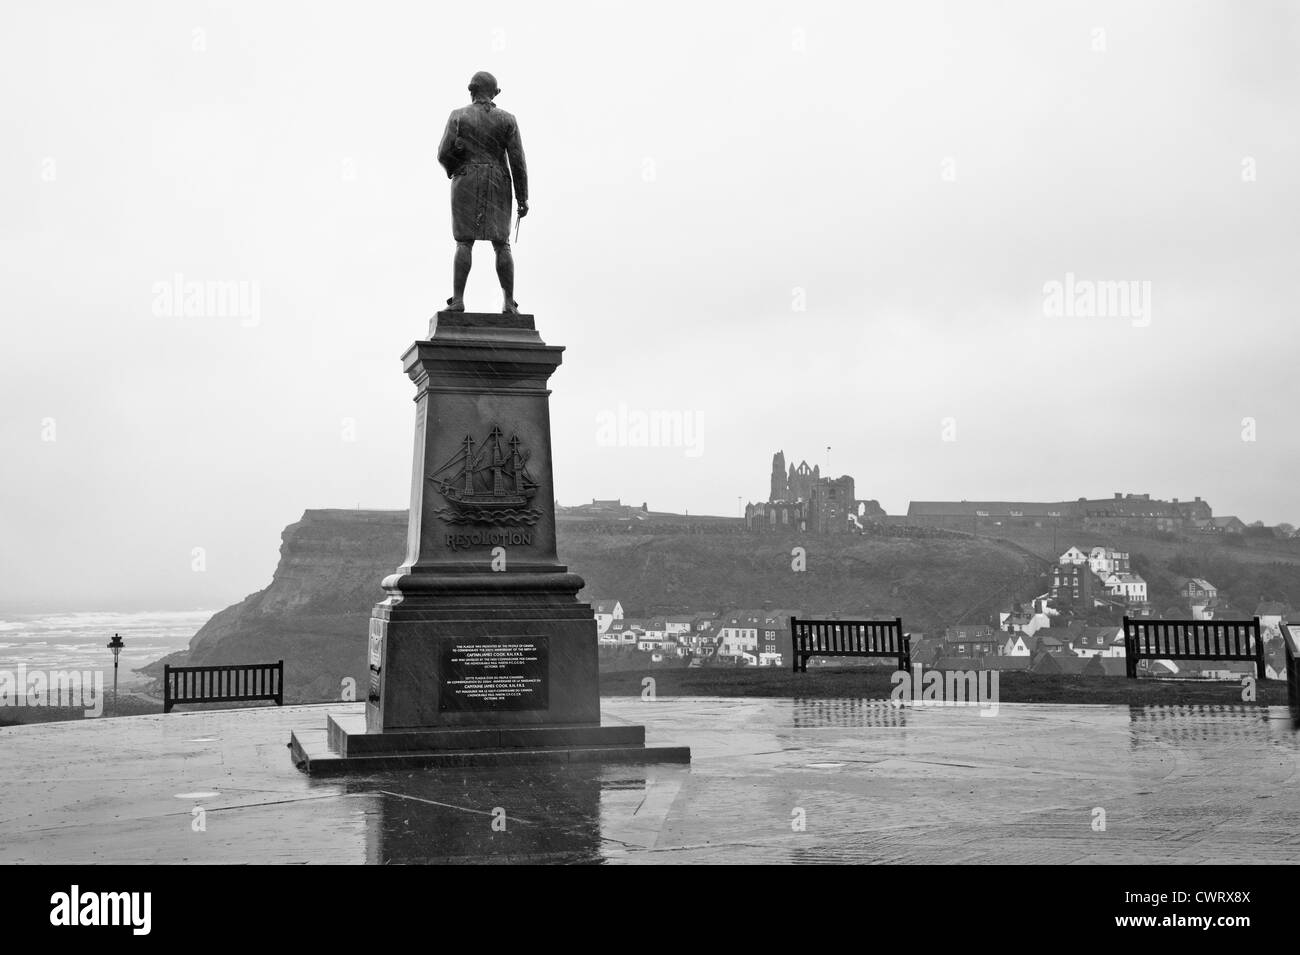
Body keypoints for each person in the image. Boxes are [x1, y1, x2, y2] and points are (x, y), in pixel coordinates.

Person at [437, 71, 528, 314]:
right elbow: (517, 160)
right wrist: (522, 196)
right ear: (494, 92)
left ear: (471, 91)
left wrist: (458, 164)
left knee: (464, 242)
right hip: (498, 181)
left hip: (466, 180)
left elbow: (443, 154)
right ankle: (509, 302)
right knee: (502, 244)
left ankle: (458, 300)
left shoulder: (458, 116)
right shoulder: (507, 119)